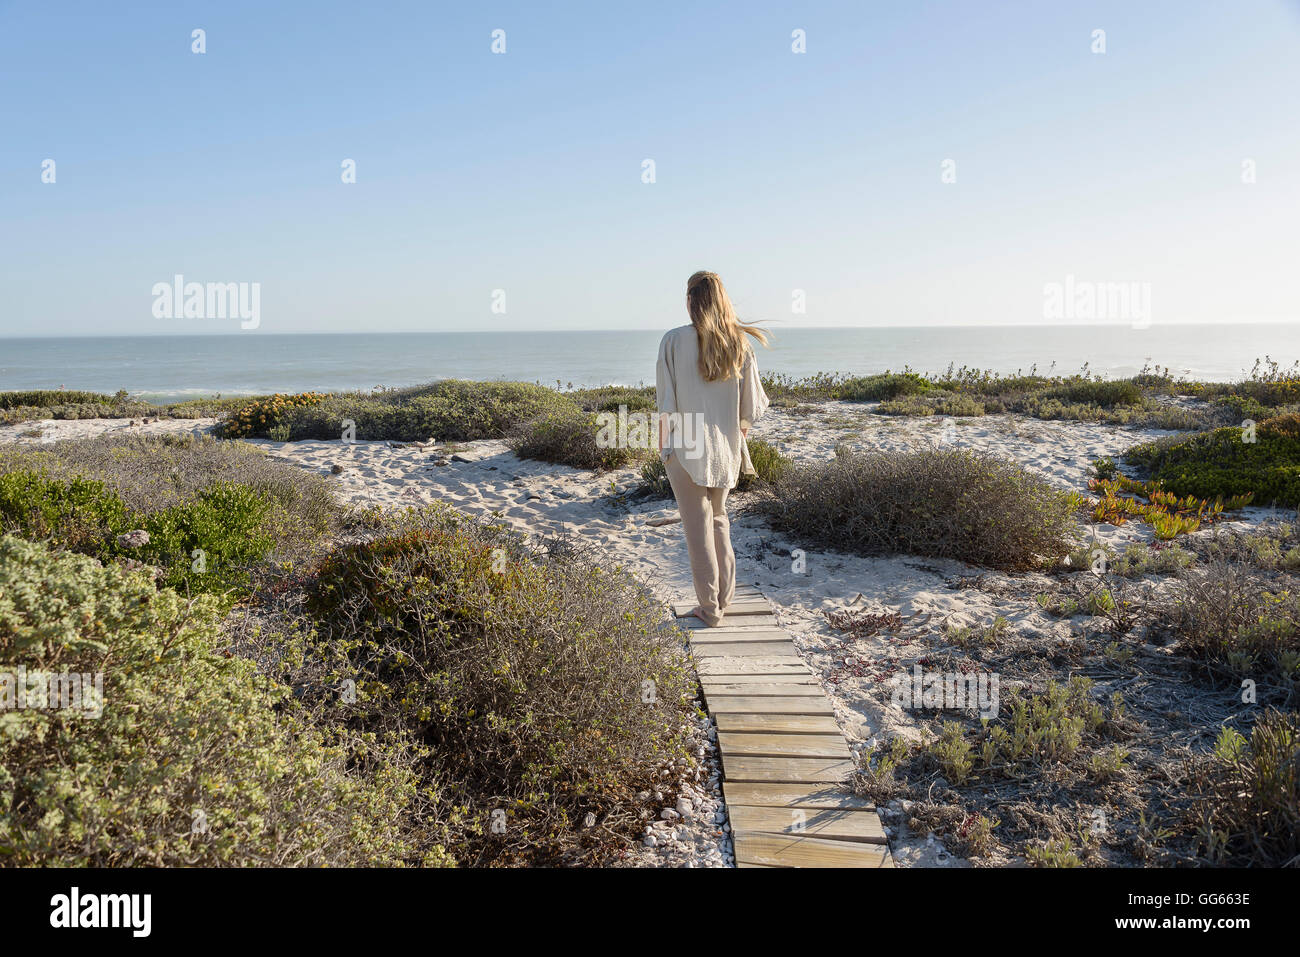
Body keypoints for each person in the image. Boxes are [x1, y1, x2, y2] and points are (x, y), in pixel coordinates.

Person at [656, 270, 770, 626]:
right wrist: (735, 442)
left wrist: (665, 451)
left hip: (686, 445)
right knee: (718, 520)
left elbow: (666, 406)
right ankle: (724, 599)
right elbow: (749, 411)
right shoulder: (740, 343)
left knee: (696, 527)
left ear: (692, 300)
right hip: (725, 448)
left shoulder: (673, 340)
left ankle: (709, 609)